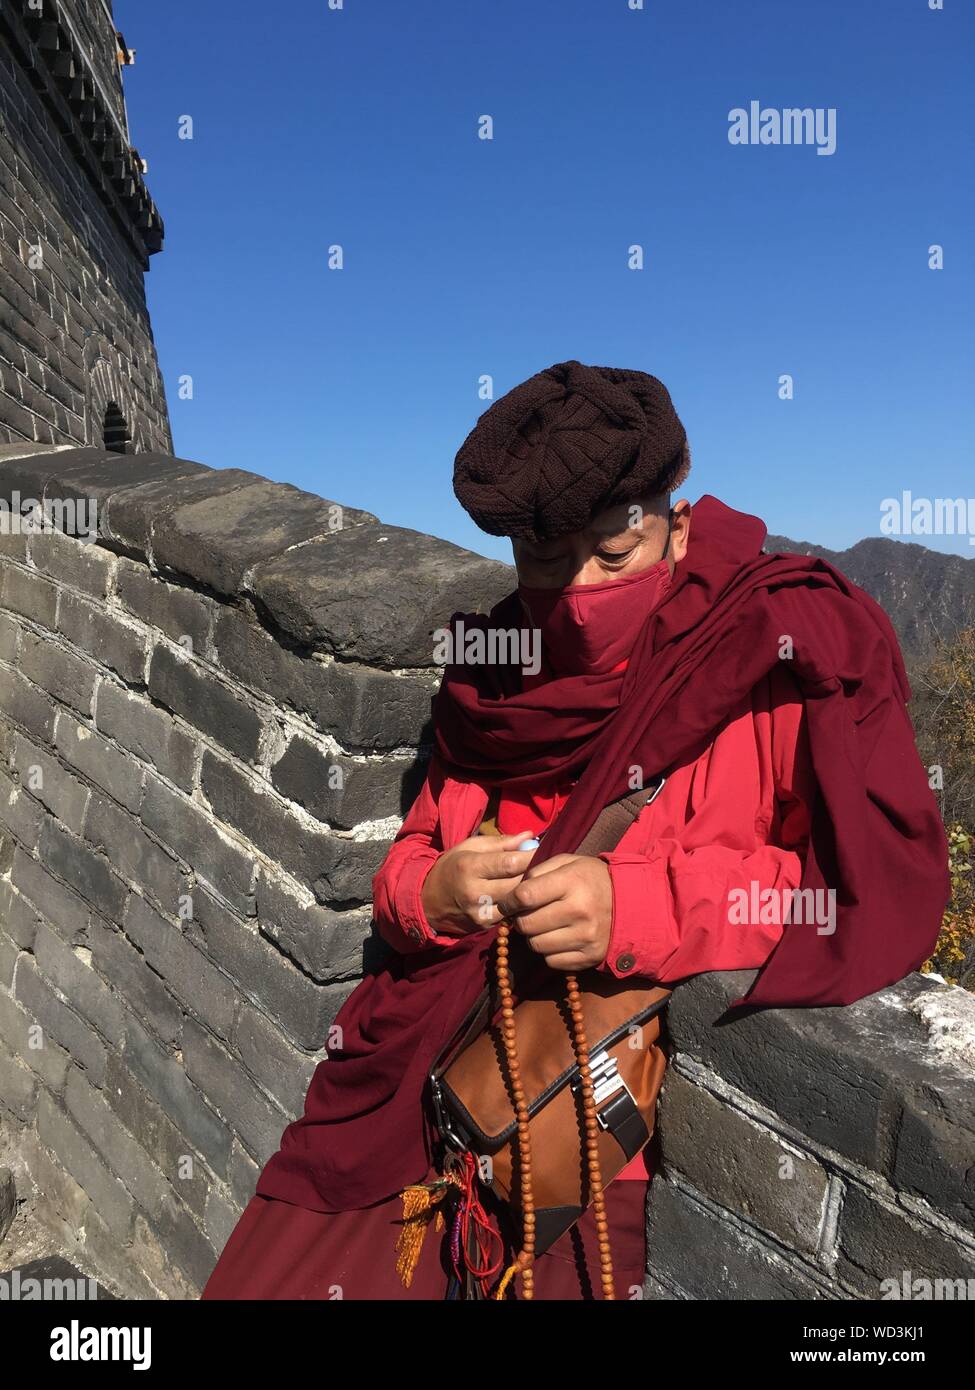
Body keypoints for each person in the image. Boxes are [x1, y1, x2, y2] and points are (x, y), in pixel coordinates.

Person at [201, 359, 949, 1301]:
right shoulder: (498, 673)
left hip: (581, 1149)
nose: (580, 593)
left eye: (615, 553)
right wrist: (431, 894)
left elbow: (850, 888)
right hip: (412, 1090)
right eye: (547, 563)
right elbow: (408, 867)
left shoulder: (773, 651)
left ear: (675, 522)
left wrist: (636, 907)